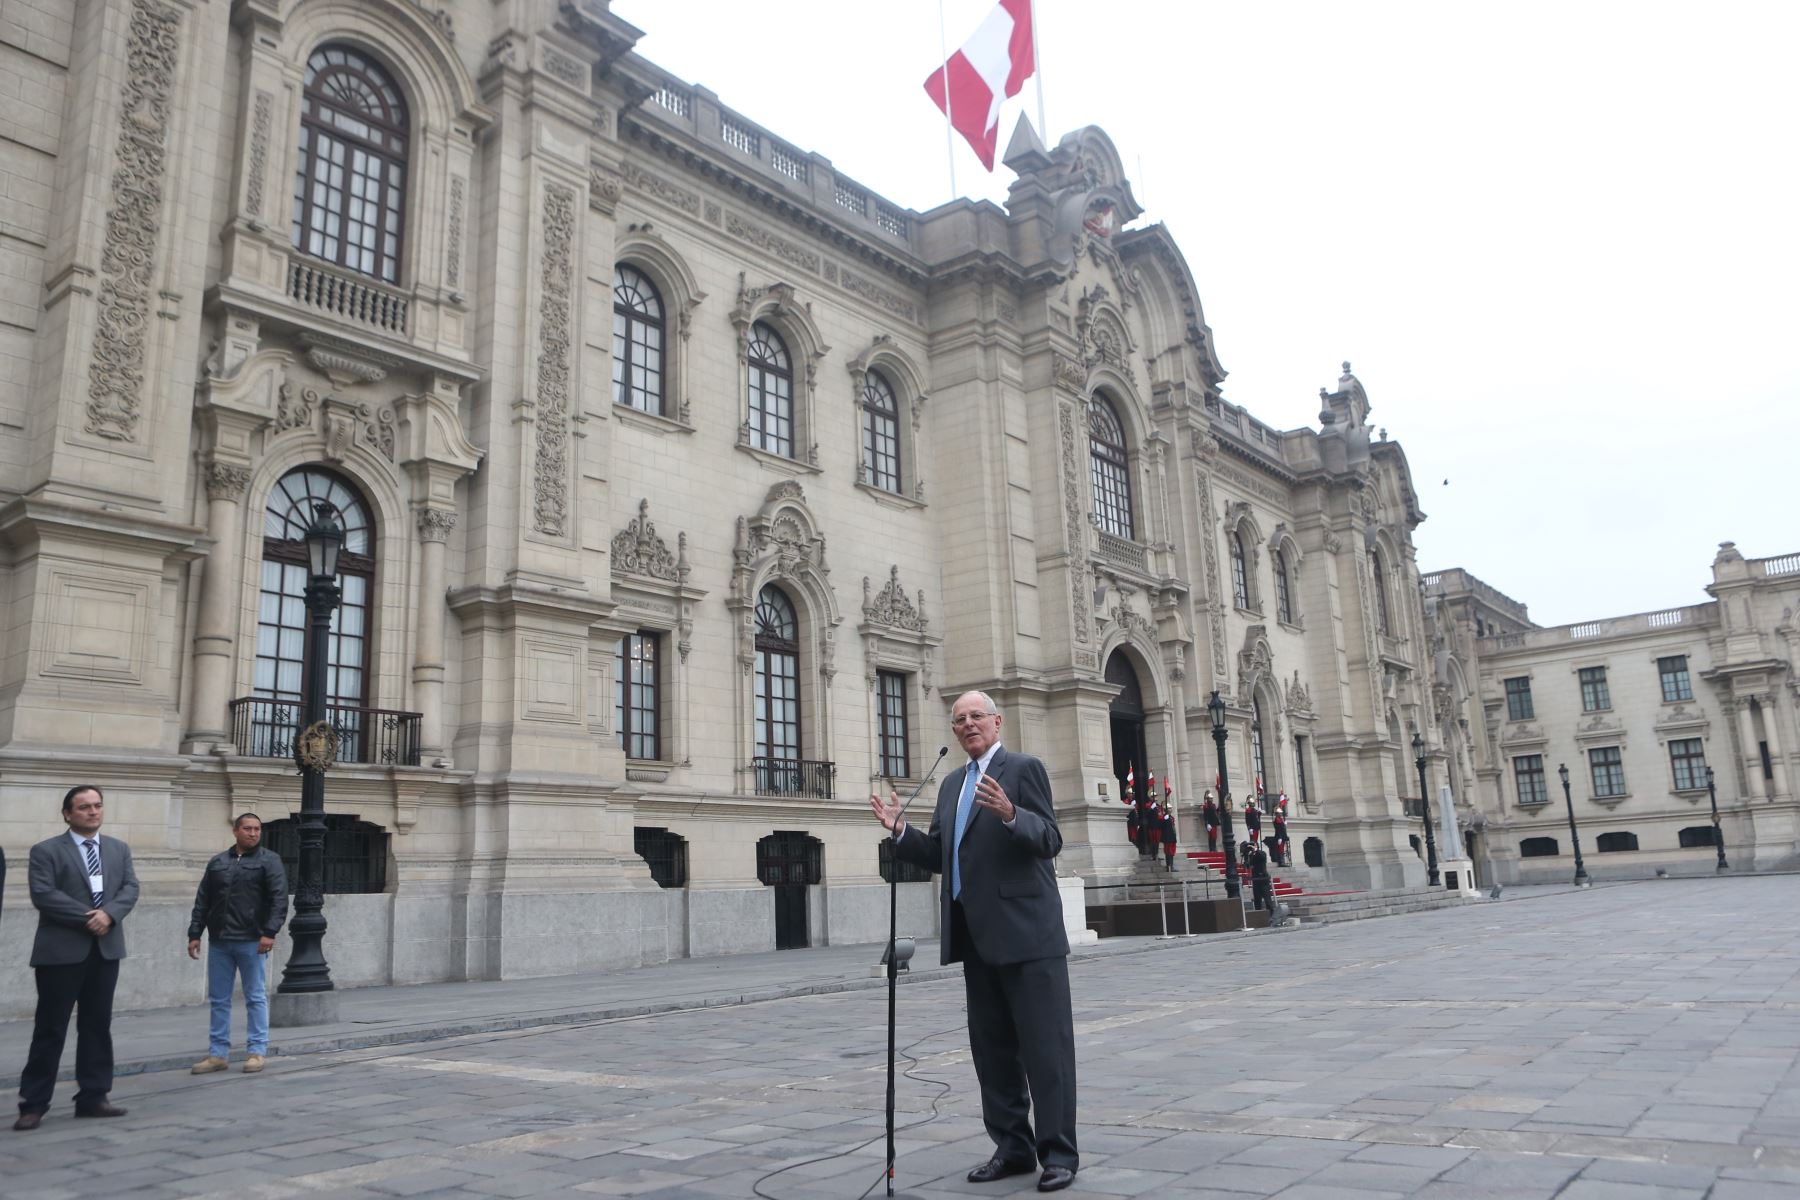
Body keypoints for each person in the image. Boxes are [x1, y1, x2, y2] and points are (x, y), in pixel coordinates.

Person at [869, 691, 1078, 1193]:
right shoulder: (950, 785)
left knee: (1046, 1050)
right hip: (976, 937)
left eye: (976, 716)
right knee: (992, 1052)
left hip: (1029, 935)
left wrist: (1011, 814)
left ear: (997, 721)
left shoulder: (1023, 768)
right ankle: (1013, 1148)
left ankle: (1059, 1155)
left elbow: (1050, 839)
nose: (967, 725)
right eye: (959, 719)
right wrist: (902, 832)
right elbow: (942, 855)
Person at [15, 785, 140, 1130]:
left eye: (97, 805)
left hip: (106, 949)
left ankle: (94, 1096)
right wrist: (90, 917)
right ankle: (34, 1103)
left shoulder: (118, 849)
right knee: (50, 1028)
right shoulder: (46, 851)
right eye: (84, 807)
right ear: (68, 814)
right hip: (61, 952)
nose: (93, 812)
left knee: (97, 1025)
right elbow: (44, 894)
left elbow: (130, 888)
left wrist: (110, 915)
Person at [187, 813, 288, 1076]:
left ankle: (256, 1051)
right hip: (220, 940)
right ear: (235, 831)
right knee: (219, 999)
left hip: (252, 940)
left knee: (255, 996)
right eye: (247, 828)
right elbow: (203, 900)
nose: (253, 833)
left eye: (257, 829)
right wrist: (195, 933)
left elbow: (279, 899)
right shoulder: (218, 862)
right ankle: (217, 1054)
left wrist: (269, 932)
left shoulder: (270, 860)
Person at [1247, 841, 1274, 912]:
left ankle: (1271, 915)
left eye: (1252, 845)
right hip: (1255, 879)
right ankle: (1258, 915)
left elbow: (1262, 857)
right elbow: (1248, 865)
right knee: (1257, 900)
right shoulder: (1251, 855)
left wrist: (1255, 849)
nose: (1251, 847)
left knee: (1267, 899)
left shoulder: (1262, 853)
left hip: (1263, 878)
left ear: (1256, 846)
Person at [1161, 806, 1178, 871]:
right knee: (1168, 852)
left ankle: (1172, 866)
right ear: (1166, 810)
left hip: (1172, 837)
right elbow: (1163, 827)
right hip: (1167, 838)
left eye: (1171, 808)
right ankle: (1168, 866)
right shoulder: (1164, 818)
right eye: (1169, 808)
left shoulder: (1171, 818)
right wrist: (1165, 820)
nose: (1170, 809)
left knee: (1172, 852)